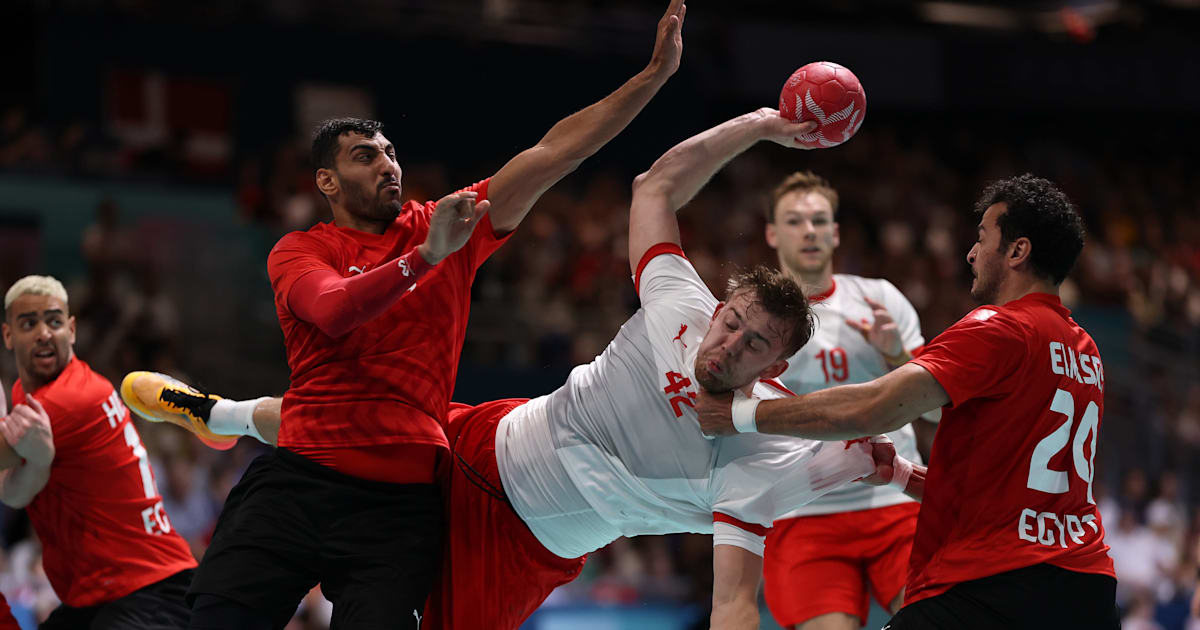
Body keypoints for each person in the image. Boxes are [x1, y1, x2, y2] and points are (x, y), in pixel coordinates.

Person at [123, 109, 895, 630]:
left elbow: (739, 596)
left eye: (753, 345)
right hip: (477, 443)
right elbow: (654, 183)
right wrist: (760, 123)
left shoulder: (770, 458)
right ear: (719, 304)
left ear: (778, 367)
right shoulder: (679, 305)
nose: (726, 344)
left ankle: (225, 415)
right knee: (356, 413)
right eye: (732, 321)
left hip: (520, 553)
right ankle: (220, 414)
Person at [183, 3, 688, 629]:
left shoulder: (447, 221)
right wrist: (425, 259)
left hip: (398, 508)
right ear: (328, 182)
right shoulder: (305, 249)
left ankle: (218, 413)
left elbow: (555, 151)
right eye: (365, 156)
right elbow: (333, 311)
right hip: (301, 480)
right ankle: (218, 414)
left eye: (390, 152)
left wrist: (653, 77)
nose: (388, 163)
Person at [695, 174, 1120, 629]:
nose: (971, 254)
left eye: (982, 239)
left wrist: (739, 415)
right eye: (795, 220)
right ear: (773, 232)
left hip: (995, 577)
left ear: (1017, 252)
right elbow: (1004, 477)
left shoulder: (992, 326)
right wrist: (903, 473)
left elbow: (872, 408)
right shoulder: (1084, 349)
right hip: (1083, 577)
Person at [760, 171, 938, 629]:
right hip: (803, 515)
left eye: (820, 220)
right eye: (795, 221)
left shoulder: (880, 299)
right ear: (773, 234)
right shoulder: (753, 320)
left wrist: (896, 354)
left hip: (897, 505)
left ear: (836, 233)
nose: (810, 230)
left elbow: (938, 411)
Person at [2, 275, 196, 630]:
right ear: (8, 335)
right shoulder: (26, 396)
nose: (44, 333)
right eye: (29, 323)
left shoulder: (70, 399)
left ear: (72, 331)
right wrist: (41, 462)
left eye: (55, 321)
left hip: (147, 593)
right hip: (102, 596)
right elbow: (12, 492)